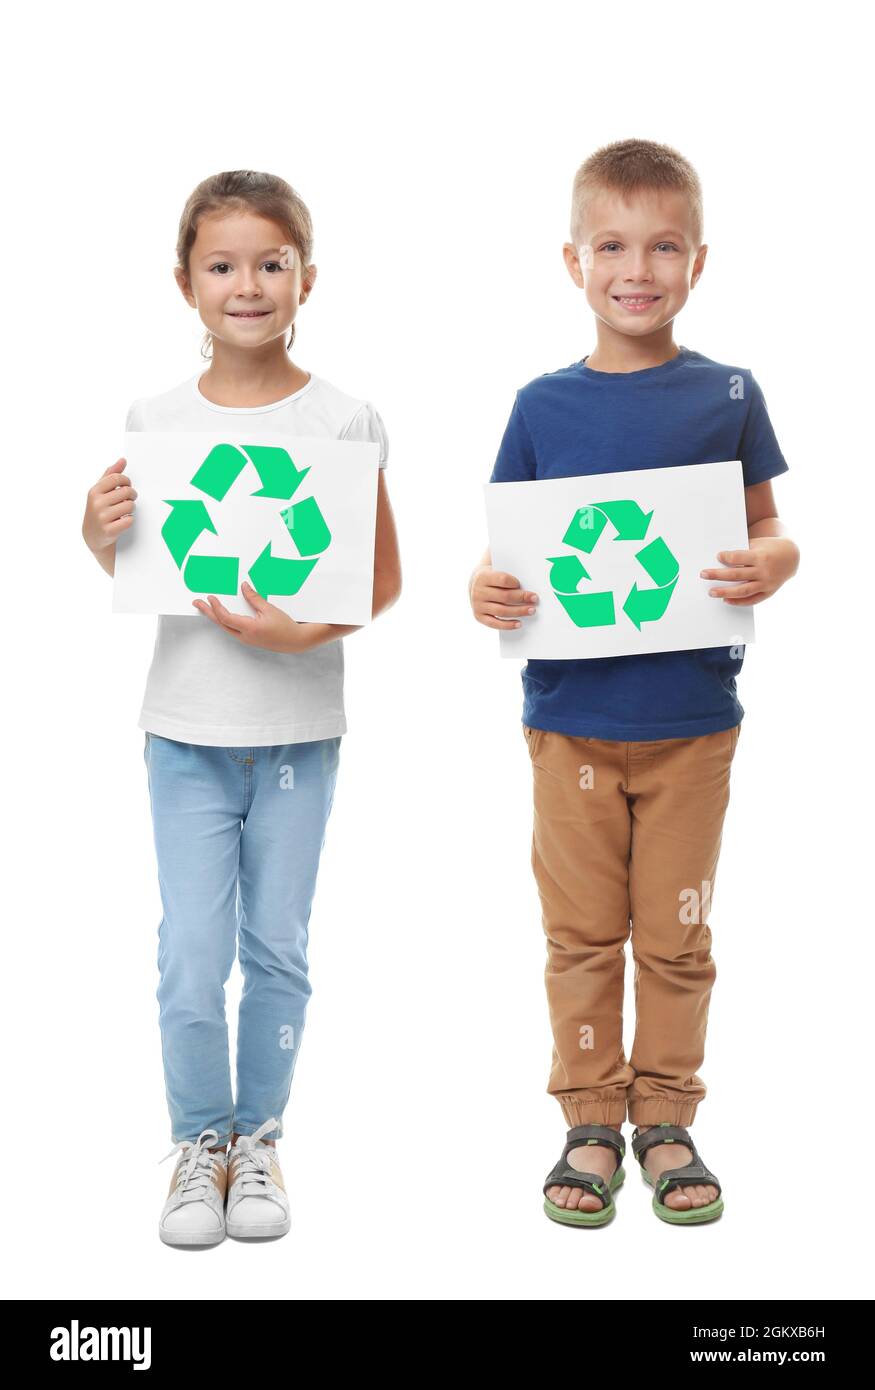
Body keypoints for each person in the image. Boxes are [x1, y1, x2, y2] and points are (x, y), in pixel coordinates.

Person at [469, 138, 799, 1227]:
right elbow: (505, 556)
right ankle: (585, 1116)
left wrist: (776, 562)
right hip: (567, 721)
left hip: (690, 722)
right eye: (611, 244)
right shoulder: (538, 406)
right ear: (571, 261)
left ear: (696, 261)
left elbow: (767, 532)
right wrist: (487, 590)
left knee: (674, 934)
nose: (636, 268)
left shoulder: (727, 392)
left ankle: (663, 1112)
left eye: (662, 246)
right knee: (578, 934)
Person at [82, 170, 401, 1246]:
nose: (248, 283)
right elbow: (133, 564)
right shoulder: (155, 419)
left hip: (299, 736)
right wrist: (95, 530)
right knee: (190, 948)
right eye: (223, 264)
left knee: (275, 944)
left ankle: (258, 1139)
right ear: (186, 283)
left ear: (307, 278)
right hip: (183, 729)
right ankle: (197, 1142)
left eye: (271, 262)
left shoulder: (345, 418)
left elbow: (380, 580)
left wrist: (300, 632)